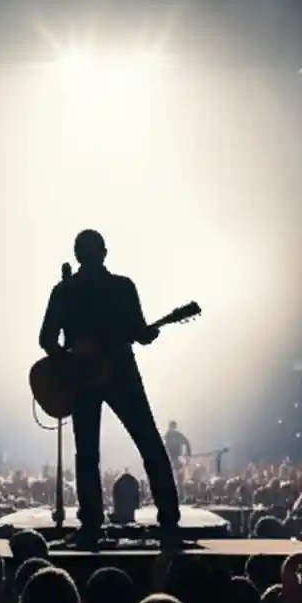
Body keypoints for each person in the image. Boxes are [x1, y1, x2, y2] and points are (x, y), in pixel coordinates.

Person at [38, 229, 181, 548]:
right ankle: (169, 521)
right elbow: (139, 332)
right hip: (120, 373)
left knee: (87, 453)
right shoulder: (121, 287)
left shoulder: (65, 290)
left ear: (78, 255)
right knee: (148, 442)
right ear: (105, 252)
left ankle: (91, 525)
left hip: (82, 379)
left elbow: (46, 339)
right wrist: (145, 335)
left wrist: (69, 359)